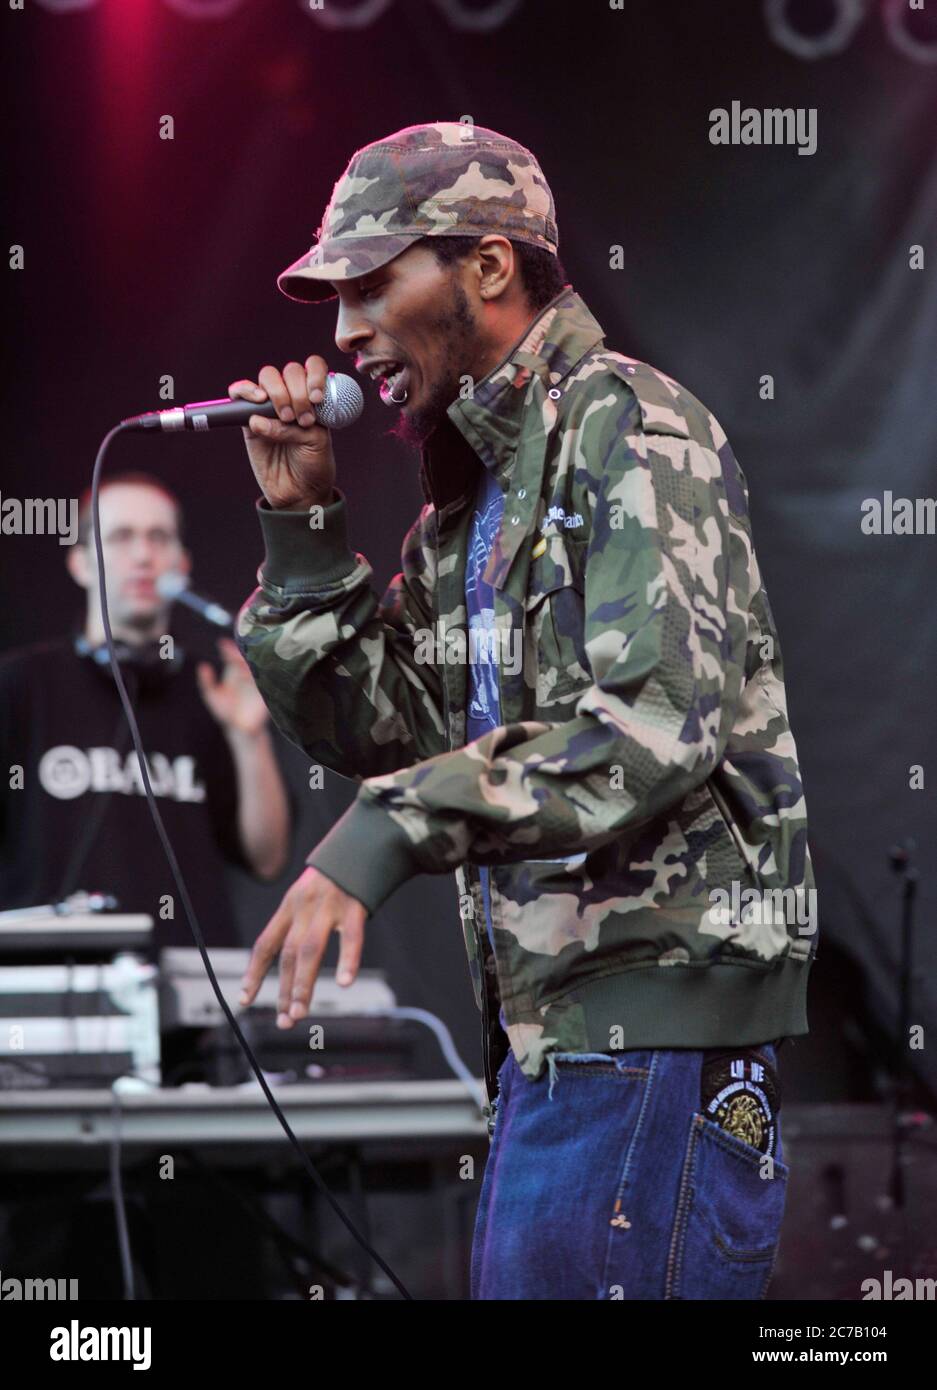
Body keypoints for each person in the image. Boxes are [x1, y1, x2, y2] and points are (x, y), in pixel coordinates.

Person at [232, 122, 817, 1300]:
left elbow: (650, 726)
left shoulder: (634, 430)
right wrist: (302, 538)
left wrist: (388, 829)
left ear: (487, 268)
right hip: (557, 1033)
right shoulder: (473, 499)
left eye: (368, 282)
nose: (341, 332)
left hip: (648, 1027)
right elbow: (387, 721)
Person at [0, 472, 291, 948]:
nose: (143, 555)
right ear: (80, 564)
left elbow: (268, 858)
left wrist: (249, 737)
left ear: (182, 562)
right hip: (49, 990)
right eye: (120, 537)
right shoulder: (19, 685)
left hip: (195, 990)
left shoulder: (217, 689)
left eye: (159, 538)